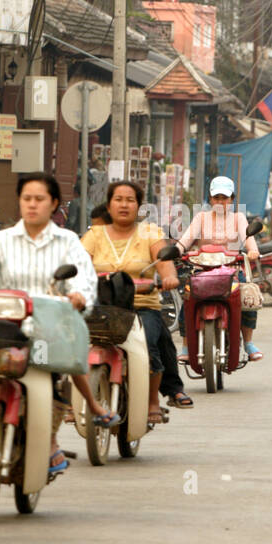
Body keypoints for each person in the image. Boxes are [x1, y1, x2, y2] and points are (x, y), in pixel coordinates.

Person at [0, 173, 99, 476]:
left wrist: (79, 295)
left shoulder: (68, 242)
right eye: (27, 198)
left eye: (39, 199)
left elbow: (82, 278)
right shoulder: (1, 241)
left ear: (53, 203)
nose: (32, 205)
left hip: (49, 326)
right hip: (2, 323)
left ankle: (49, 440)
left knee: (53, 380)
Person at [81, 181, 180, 426]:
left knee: (148, 344)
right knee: (71, 342)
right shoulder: (94, 235)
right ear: (109, 204)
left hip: (142, 305)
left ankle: (152, 402)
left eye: (130, 200)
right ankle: (73, 399)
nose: (124, 204)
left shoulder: (150, 232)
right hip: (101, 307)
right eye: (118, 199)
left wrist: (168, 276)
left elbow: (164, 261)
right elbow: (78, 263)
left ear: (139, 205)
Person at [177, 175, 264, 361]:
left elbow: (249, 240)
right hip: (202, 271)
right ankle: (185, 345)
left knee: (247, 296)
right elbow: (185, 240)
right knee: (187, 296)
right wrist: (176, 250)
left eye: (224, 198)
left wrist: (253, 251)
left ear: (232, 199)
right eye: (216, 198)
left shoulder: (239, 218)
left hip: (232, 271)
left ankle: (248, 343)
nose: (220, 202)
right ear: (210, 199)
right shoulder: (201, 217)